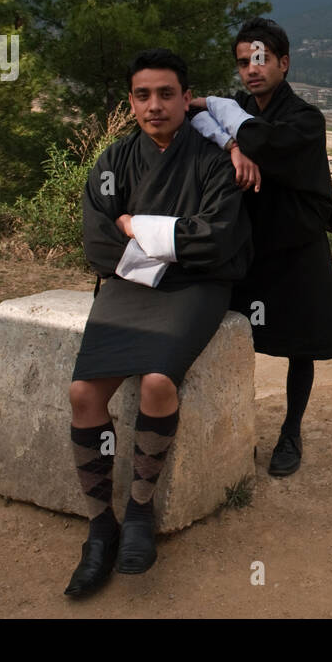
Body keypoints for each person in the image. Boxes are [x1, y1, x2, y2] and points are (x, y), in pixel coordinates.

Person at [64, 47, 253, 598]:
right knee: (82, 393)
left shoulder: (214, 161)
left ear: (186, 98)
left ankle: (140, 508)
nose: (155, 105)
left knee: (157, 381)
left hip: (196, 289)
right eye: (143, 95)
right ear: (130, 102)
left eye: (166, 94)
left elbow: (216, 237)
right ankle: (100, 525)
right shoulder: (114, 161)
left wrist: (136, 228)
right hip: (127, 287)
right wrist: (165, 236)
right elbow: (98, 241)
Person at [189, 17, 332, 478]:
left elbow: (264, 141)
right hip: (249, 243)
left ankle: (291, 431)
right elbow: (195, 115)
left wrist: (233, 127)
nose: (251, 70)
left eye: (260, 60)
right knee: (228, 330)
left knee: (302, 346)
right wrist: (231, 145)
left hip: (297, 246)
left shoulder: (305, 119)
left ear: (283, 62)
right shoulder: (236, 107)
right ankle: (228, 423)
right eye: (242, 63)